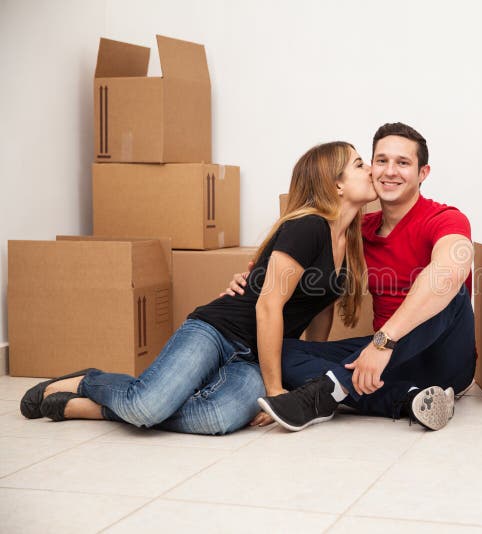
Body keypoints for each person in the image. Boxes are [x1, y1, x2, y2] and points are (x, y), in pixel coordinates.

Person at [19, 141, 377, 435]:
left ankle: (99, 411)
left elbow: (319, 314)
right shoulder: (308, 227)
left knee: (217, 418)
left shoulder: (349, 243)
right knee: (148, 405)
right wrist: (276, 392)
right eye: (361, 164)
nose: (371, 170)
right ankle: (88, 383)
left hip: (257, 355)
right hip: (218, 330)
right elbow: (267, 307)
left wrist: (304, 380)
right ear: (336, 184)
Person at [228, 123, 475, 432]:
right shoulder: (357, 232)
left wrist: (383, 343)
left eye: (403, 163)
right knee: (283, 349)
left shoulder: (445, 218)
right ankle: (410, 398)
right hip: (382, 364)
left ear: (423, 173)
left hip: (442, 357)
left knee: (448, 291)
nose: (389, 171)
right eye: (381, 160)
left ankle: (326, 392)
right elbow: (299, 267)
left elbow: (449, 273)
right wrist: (254, 280)